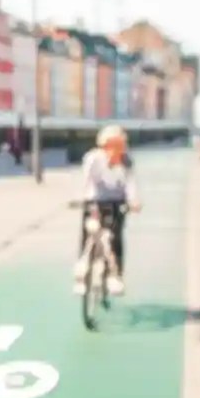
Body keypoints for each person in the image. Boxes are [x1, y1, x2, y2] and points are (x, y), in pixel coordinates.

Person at [75, 125, 141, 296]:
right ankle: (81, 274)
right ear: (103, 146)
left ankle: (115, 275)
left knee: (115, 236)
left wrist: (133, 200)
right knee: (88, 230)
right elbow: (87, 179)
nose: (115, 149)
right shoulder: (93, 158)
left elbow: (131, 183)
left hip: (117, 202)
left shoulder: (127, 161)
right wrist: (81, 197)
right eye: (111, 145)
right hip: (95, 199)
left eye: (119, 145)